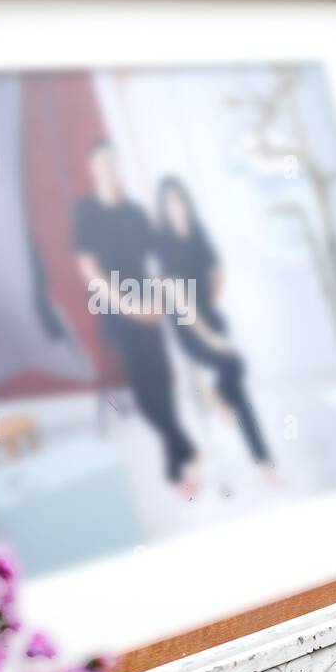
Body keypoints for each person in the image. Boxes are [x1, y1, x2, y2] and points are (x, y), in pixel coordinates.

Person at [73, 141, 201, 498]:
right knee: (145, 397)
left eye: (114, 164)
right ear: (93, 169)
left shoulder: (135, 213)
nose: (110, 171)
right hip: (118, 310)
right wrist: (125, 306)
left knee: (162, 385)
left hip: (150, 306)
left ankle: (176, 467)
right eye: (103, 165)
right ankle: (187, 449)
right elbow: (88, 269)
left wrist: (176, 221)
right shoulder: (86, 212)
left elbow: (161, 255)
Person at [153, 176, 274, 479]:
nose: (177, 207)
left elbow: (217, 271)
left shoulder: (198, 234)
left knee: (233, 373)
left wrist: (211, 307)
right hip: (187, 327)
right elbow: (182, 306)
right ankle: (263, 461)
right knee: (234, 364)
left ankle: (220, 393)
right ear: (163, 209)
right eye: (170, 202)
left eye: (180, 199)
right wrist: (211, 338)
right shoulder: (164, 247)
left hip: (208, 316)